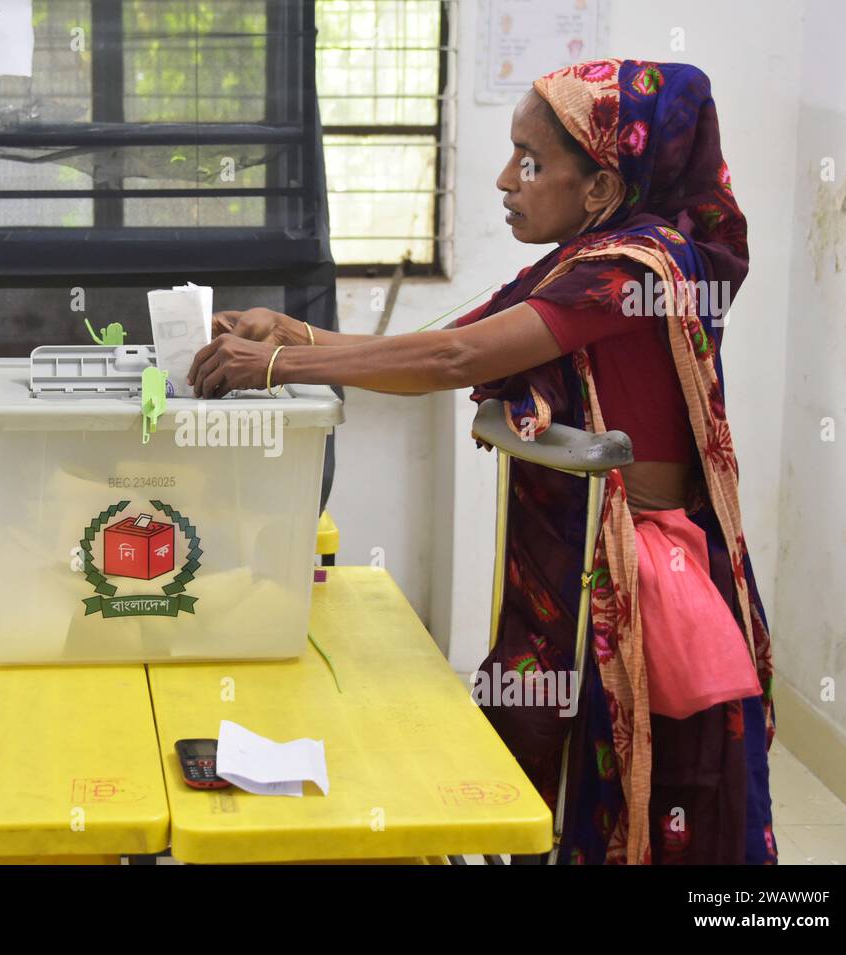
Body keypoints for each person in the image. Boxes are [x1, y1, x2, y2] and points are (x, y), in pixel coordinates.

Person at [188, 59, 776, 865]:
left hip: (633, 581)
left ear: (601, 188)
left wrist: (281, 367)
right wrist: (291, 336)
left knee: (629, 799)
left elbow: (455, 356)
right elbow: (437, 348)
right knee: (538, 771)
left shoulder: (635, 266)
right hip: (577, 574)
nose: (507, 180)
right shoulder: (580, 263)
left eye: (530, 162)